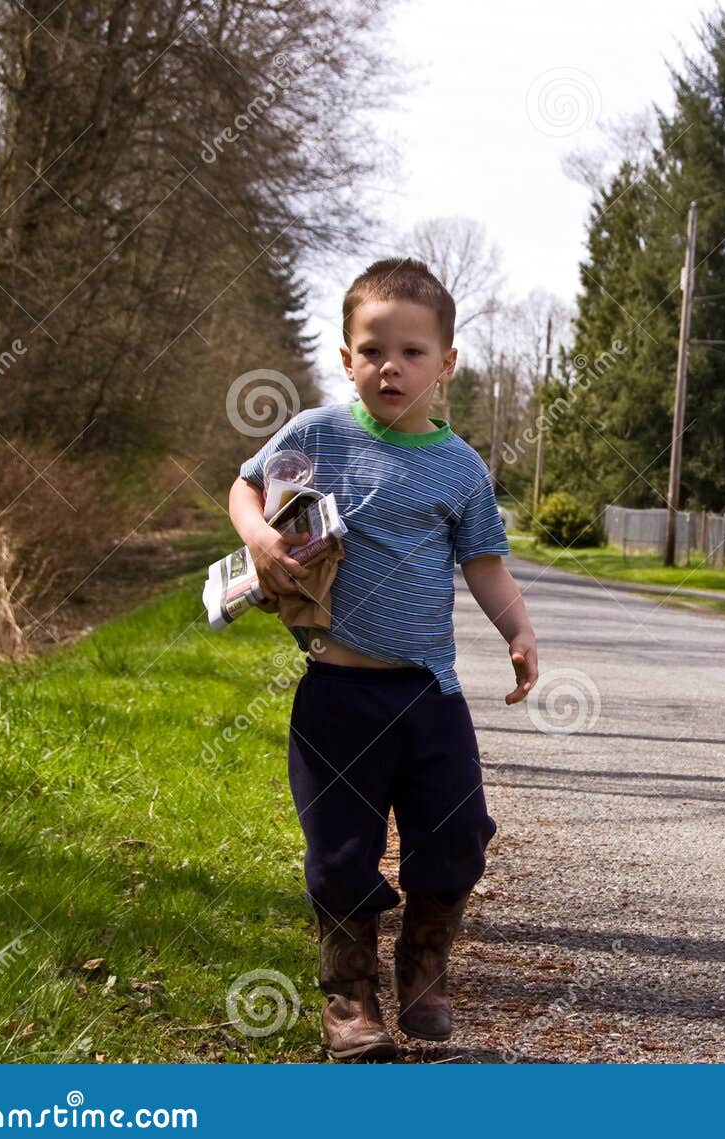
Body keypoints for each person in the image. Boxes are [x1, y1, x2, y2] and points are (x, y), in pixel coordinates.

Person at [229, 257, 539, 1061]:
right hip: (335, 696)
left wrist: (519, 631)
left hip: (428, 697)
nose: (389, 367)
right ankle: (350, 996)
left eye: (410, 352)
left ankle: (424, 967)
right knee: (338, 852)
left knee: (459, 834)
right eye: (371, 351)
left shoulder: (461, 469)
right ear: (346, 360)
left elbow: (485, 564)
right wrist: (261, 535)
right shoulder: (316, 435)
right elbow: (243, 483)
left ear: (446, 363)